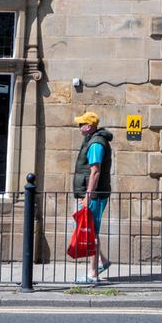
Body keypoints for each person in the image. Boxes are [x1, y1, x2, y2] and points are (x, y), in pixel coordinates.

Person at [72, 112, 113, 283]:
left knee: (91, 232)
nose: (79, 126)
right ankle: (102, 262)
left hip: (94, 195)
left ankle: (92, 274)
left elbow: (95, 171)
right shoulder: (92, 140)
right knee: (90, 229)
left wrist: (88, 195)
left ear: (89, 126)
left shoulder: (96, 144)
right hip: (93, 194)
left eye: (81, 124)